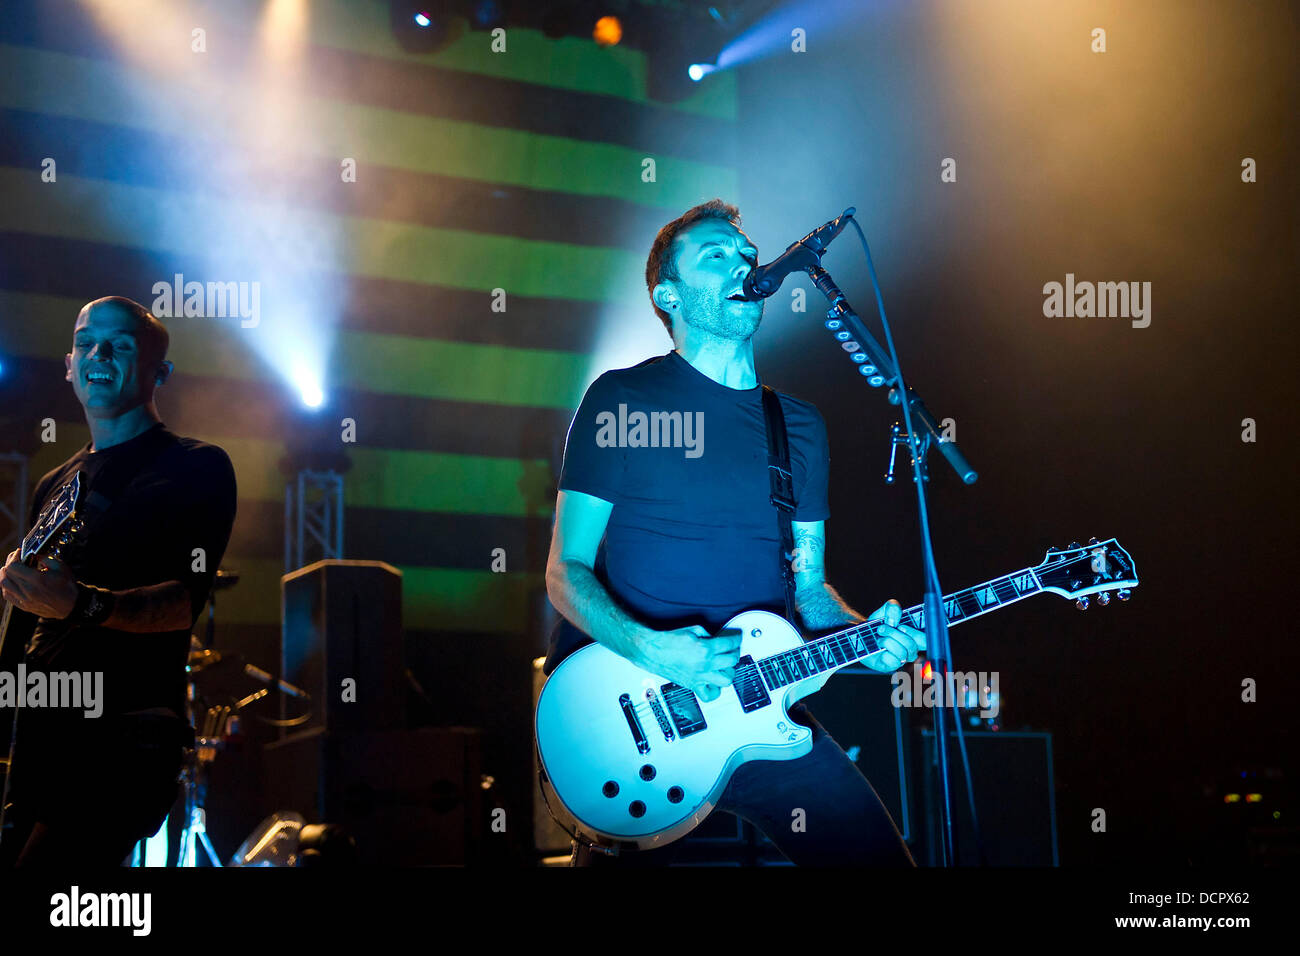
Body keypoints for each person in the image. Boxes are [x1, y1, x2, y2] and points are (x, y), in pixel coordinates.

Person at [543, 199, 925, 866]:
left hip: (758, 706)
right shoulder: (623, 401)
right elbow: (564, 573)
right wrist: (659, 654)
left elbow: (810, 592)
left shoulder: (798, 426)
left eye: (745, 252)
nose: (746, 262)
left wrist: (869, 641)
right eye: (716, 255)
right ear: (670, 294)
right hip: (634, 713)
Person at [0, 296, 237, 867]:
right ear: (68, 364)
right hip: (39, 738)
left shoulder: (195, 466)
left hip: (120, 738)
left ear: (161, 371)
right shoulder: (56, 480)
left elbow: (185, 599)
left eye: (120, 345)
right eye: (86, 343)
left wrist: (82, 605)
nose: (98, 354)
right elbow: (31, 622)